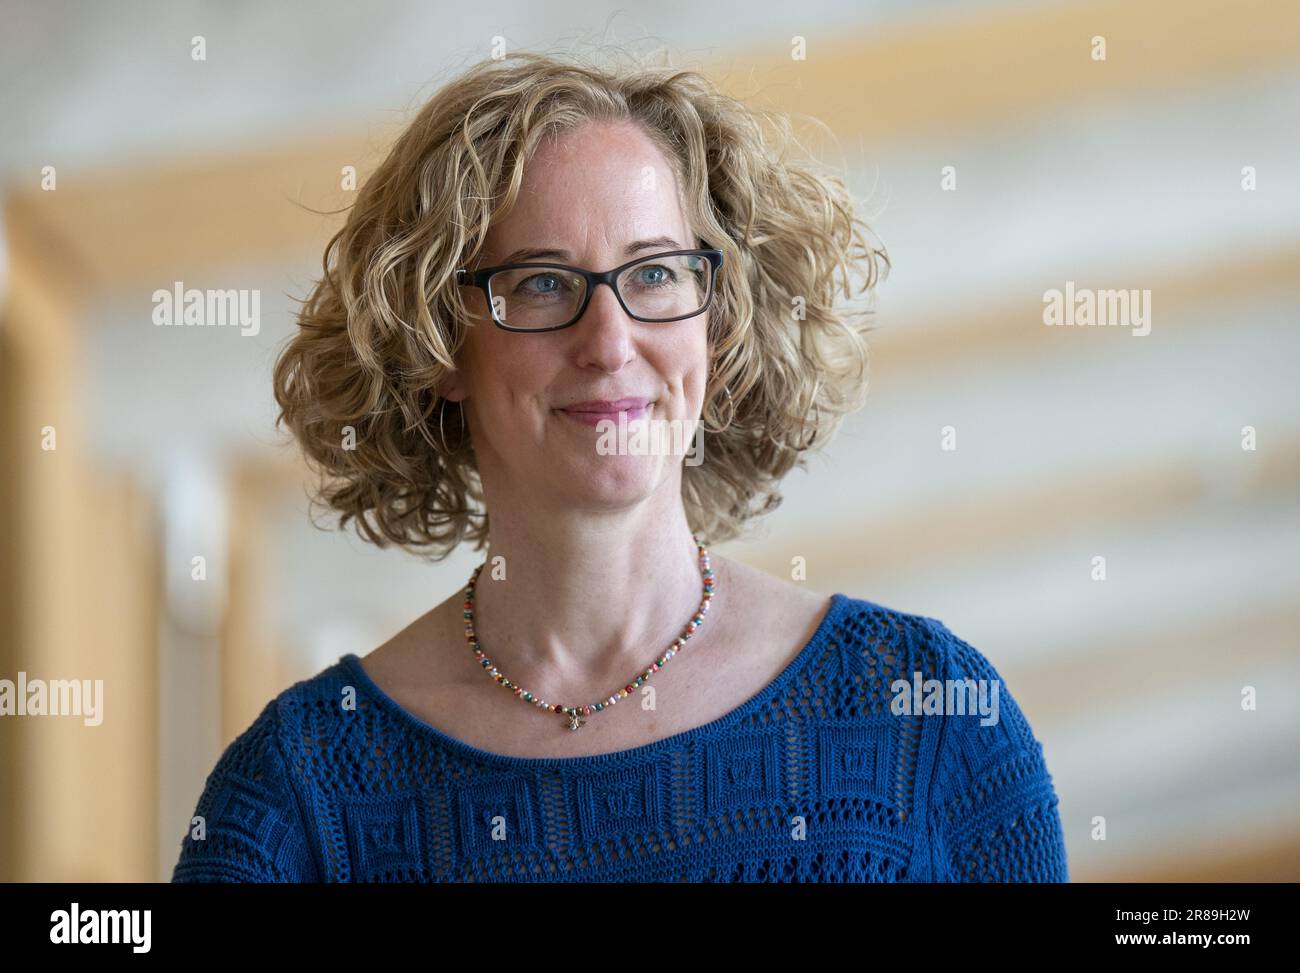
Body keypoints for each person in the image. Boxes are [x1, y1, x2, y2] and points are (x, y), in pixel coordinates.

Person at [172, 49, 1068, 882]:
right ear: (439, 342)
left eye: (655, 275)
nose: (609, 342)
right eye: (541, 283)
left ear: (717, 325)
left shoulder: (928, 719)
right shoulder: (298, 795)